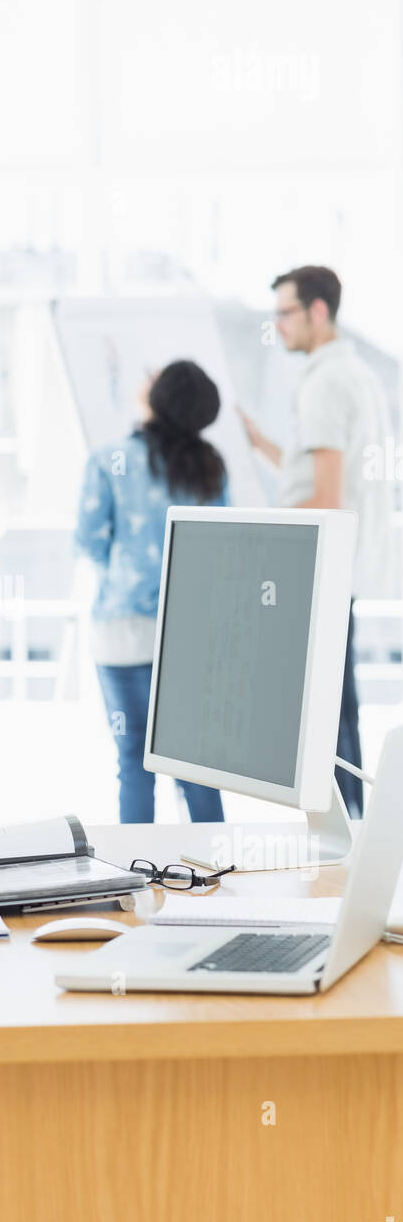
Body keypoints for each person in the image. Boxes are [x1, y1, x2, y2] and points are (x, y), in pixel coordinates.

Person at [238, 266, 395, 817]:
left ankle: (343, 842)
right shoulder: (356, 374)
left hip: (321, 569)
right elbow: (327, 477)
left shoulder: (325, 383)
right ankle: (350, 837)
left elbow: (325, 495)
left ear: (318, 311)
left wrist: (262, 529)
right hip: (344, 568)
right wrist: (262, 445)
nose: (278, 325)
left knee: (323, 716)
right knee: (338, 710)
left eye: (285, 312)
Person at [76, 360, 229, 823]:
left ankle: (136, 880)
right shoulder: (211, 467)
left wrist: (127, 572)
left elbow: (89, 541)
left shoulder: (109, 460)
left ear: (159, 398)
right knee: (197, 769)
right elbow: (224, 544)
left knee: (134, 765)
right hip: (190, 633)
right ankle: (219, 870)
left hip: (122, 631)